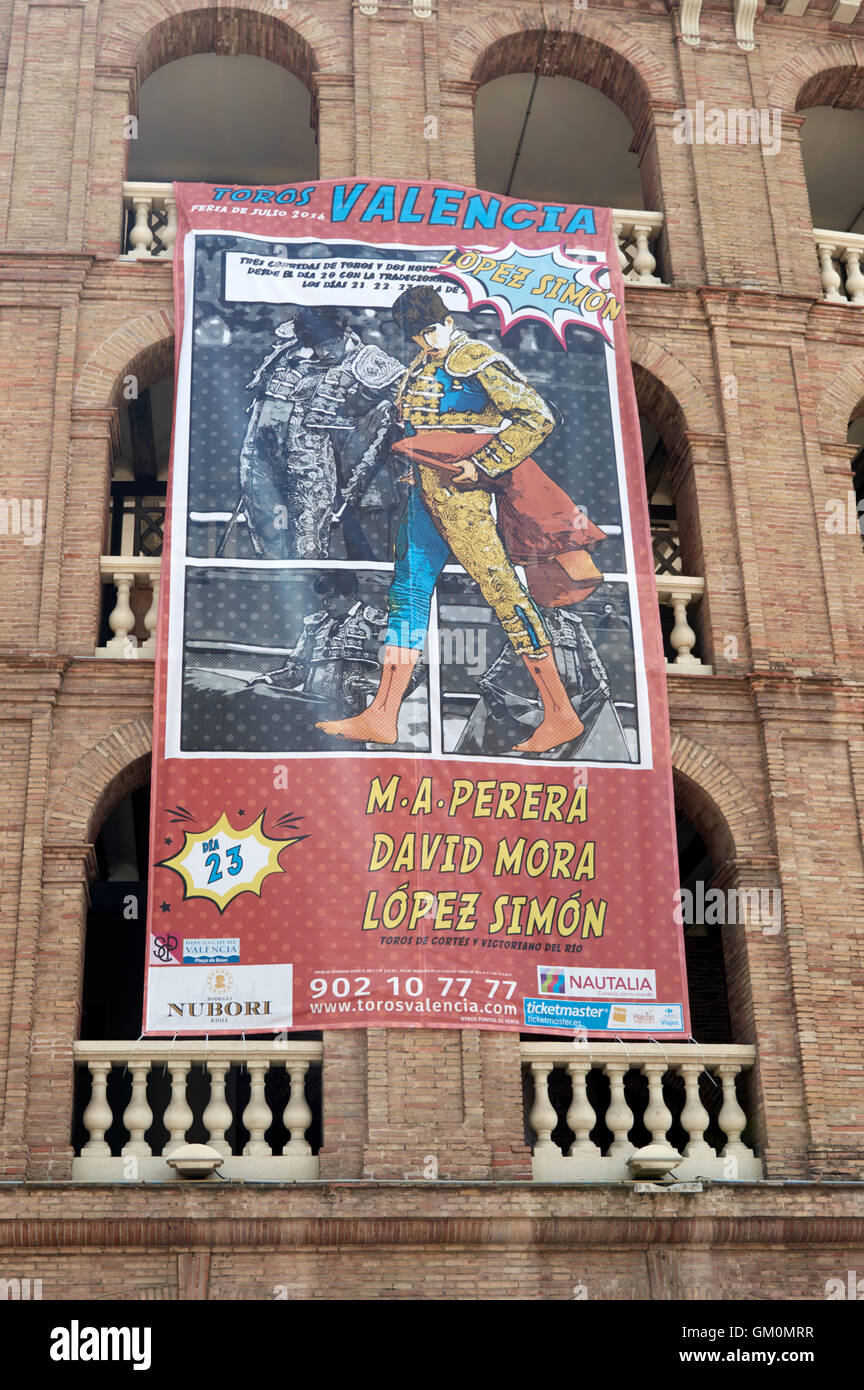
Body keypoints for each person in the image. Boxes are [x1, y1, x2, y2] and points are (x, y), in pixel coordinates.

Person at [317, 285, 606, 755]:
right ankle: (383, 714)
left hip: (465, 492)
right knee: (406, 595)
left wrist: (486, 464)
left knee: (503, 592)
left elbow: (537, 417)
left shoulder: (475, 359)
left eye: (431, 330)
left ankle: (560, 712)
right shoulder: (421, 366)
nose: (427, 342)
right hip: (422, 491)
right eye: (417, 335)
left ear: (448, 322)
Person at [236, 306, 403, 559]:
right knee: (268, 521)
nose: (323, 352)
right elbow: (269, 408)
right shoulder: (290, 356)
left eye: (329, 343)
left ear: (346, 332)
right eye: (316, 344)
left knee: (316, 534)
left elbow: (408, 402)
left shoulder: (368, 359)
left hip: (335, 458)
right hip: (278, 451)